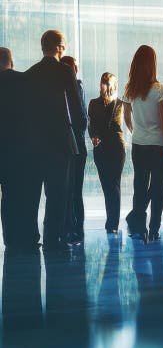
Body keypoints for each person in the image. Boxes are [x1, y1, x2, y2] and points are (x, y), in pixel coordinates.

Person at [23, 30, 86, 252]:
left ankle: (35, 237)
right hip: (61, 142)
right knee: (58, 193)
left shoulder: (29, 74)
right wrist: (78, 131)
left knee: (35, 192)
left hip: (35, 143)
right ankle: (54, 239)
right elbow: (76, 109)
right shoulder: (64, 71)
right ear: (59, 47)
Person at [122, 45, 163, 242]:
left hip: (139, 145)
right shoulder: (160, 89)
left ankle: (138, 224)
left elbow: (126, 117)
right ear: (153, 64)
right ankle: (153, 229)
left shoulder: (130, 89)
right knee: (158, 189)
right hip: (158, 145)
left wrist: (136, 131)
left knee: (140, 186)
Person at [88, 72, 125, 234]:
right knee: (107, 186)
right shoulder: (93, 103)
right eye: (103, 82)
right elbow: (91, 125)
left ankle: (113, 223)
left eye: (107, 82)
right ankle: (111, 222)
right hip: (101, 148)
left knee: (114, 185)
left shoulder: (119, 104)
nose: (105, 85)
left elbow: (115, 125)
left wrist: (97, 134)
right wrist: (93, 136)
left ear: (114, 85)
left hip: (116, 148)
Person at [0, 47, 29, 250]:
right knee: (17, 194)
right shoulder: (23, 80)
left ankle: (8, 239)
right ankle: (19, 238)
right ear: (11, 61)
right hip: (18, 148)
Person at [60, 55, 89, 244]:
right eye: (75, 67)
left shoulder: (69, 87)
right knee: (75, 190)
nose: (77, 70)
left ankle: (72, 228)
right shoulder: (76, 87)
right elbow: (82, 118)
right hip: (76, 145)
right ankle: (76, 228)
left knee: (70, 190)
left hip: (70, 145)